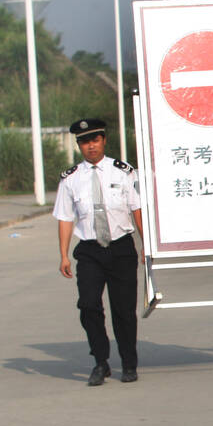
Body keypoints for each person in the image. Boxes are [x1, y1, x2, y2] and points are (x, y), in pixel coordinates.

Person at [53, 118, 144, 386]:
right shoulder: (71, 179)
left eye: (94, 140)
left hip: (121, 247)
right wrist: (63, 254)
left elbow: (136, 209)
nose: (90, 146)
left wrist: (145, 246)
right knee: (89, 305)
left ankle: (129, 363)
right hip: (90, 251)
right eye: (84, 142)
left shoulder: (124, 172)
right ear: (78, 145)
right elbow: (65, 218)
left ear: (103, 140)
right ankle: (100, 361)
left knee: (123, 310)